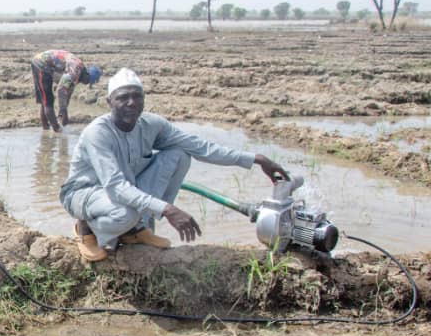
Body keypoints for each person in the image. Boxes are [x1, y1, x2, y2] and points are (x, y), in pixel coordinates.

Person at [60, 67, 289, 262]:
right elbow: (116, 187)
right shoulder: (98, 133)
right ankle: (87, 228)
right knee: (126, 211)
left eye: (137, 96)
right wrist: (168, 209)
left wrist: (256, 159)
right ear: (110, 102)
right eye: (122, 98)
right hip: (85, 193)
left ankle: (137, 229)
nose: (131, 103)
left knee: (179, 155)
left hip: (122, 190)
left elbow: (200, 147)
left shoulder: (151, 125)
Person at [30, 49, 102, 132]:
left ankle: (46, 129)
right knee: (48, 99)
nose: (86, 83)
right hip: (41, 63)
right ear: (88, 75)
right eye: (88, 81)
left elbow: (67, 93)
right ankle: (55, 129)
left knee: (46, 100)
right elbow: (61, 90)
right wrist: (63, 111)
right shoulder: (75, 71)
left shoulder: (79, 75)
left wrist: (62, 115)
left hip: (47, 66)